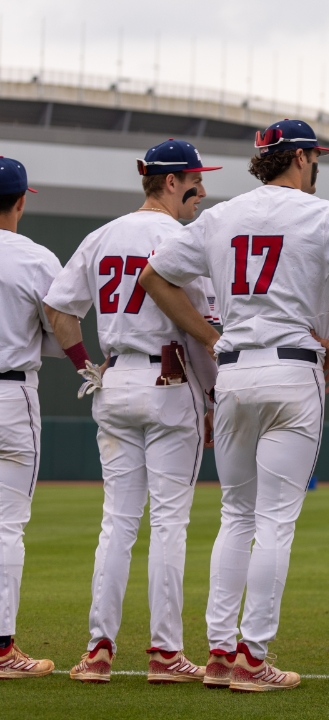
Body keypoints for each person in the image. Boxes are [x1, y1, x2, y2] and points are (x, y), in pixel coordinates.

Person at [139, 119, 329, 692]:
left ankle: (218, 654)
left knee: (236, 515)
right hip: (291, 369)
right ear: (301, 158)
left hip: (233, 371)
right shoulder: (323, 213)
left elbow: (153, 277)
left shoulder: (221, 215)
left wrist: (210, 338)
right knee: (275, 521)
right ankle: (254, 659)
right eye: (314, 156)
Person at [44, 140, 222, 685]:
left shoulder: (103, 235)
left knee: (117, 523)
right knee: (169, 522)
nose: (202, 190)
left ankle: (99, 649)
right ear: (170, 182)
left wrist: (84, 368)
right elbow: (203, 330)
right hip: (170, 382)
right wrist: (214, 399)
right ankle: (165, 652)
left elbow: (58, 308)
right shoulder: (185, 239)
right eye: (194, 178)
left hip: (115, 381)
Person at [0, 157, 59, 680]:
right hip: (10, 395)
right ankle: (1, 649)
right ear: (21, 200)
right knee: (6, 525)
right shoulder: (36, 258)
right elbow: (62, 334)